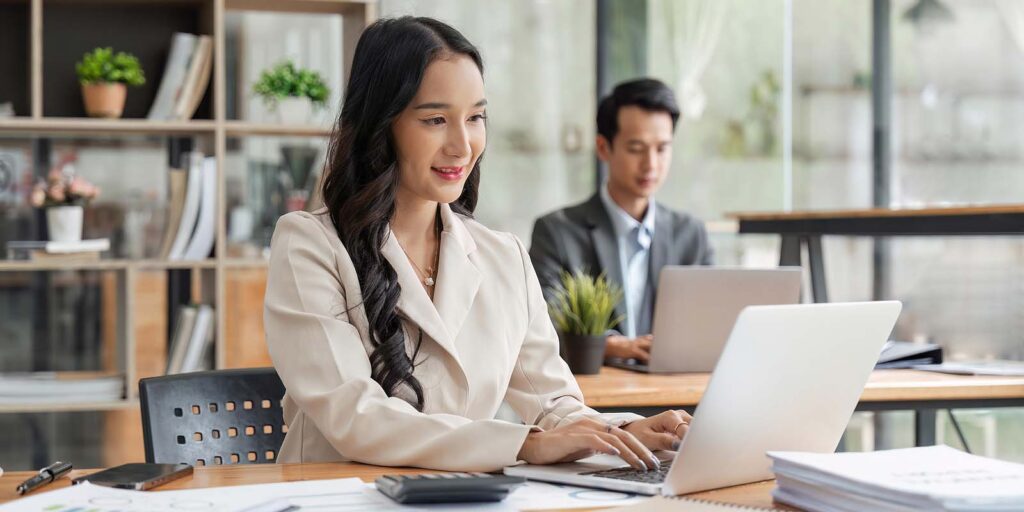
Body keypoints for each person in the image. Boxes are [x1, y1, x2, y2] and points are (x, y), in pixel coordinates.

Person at [263, 16, 690, 473]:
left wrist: (623, 434)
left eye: (475, 117)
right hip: (336, 498)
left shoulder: (502, 255)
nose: (462, 145)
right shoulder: (309, 244)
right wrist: (525, 444)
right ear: (381, 125)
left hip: (464, 498)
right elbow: (355, 418)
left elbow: (555, 406)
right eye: (435, 120)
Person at [529, 78, 714, 364]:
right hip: (596, 401)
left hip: (674, 396)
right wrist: (612, 347)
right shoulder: (557, 232)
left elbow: (710, 326)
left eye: (662, 149)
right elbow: (542, 329)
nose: (651, 164)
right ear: (604, 148)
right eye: (636, 149)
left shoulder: (690, 235)